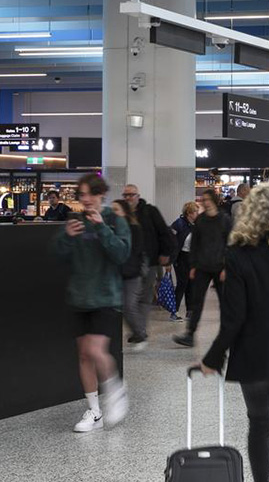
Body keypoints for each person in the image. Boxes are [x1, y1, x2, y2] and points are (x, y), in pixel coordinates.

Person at [194, 185, 269, 482]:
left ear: (249, 213)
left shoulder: (237, 254)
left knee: (259, 425)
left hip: (253, 353)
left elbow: (234, 317)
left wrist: (213, 357)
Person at [51, 173, 131, 434]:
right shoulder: (75, 221)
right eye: (82, 194)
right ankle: (94, 411)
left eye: (90, 194)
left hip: (106, 297)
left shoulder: (114, 220)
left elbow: (122, 254)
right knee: (84, 354)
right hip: (80, 297)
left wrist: (102, 228)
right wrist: (66, 236)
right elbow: (57, 255)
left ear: (101, 194)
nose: (85, 199)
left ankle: (116, 391)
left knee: (96, 350)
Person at [174, 189, 234, 348]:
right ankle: (190, 334)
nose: (205, 202)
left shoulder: (225, 220)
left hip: (220, 267)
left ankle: (228, 334)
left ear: (214, 200)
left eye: (207, 199)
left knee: (225, 303)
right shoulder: (201, 220)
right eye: (203, 199)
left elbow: (230, 244)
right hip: (202, 266)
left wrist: (226, 267)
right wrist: (193, 265)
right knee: (197, 302)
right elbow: (195, 244)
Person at [120, 184, 176, 346]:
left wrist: (166, 254)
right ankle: (138, 329)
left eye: (131, 195)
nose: (128, 198)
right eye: (125, 195)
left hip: (149, 261)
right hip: (128, 263)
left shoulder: (150, 211)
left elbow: (164, 232)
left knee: (144, 298)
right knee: (128, 301)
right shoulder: (121, 213)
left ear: (138, 196)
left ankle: (140, 330)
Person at [112, 199, 147, 352]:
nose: (113, 213)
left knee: (129, 306)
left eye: (116, 210)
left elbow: (135, 252)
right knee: (121, 306)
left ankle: (140, 333)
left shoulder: (134, 229)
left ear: (124, 211)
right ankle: (136, 332)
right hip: (119, 273)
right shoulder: (113, 228)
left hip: (131, 273)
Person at [170, 201, 200, 320]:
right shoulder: (179, 224)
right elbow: (171, 240)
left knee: (191, 284)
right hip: (180, 258)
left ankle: (190, 311)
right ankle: (174, 311)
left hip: (191, 258)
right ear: (189, 213)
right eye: (195, 211)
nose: (197, 214)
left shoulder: (195, 225)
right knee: (182, 284)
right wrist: (170, 258)